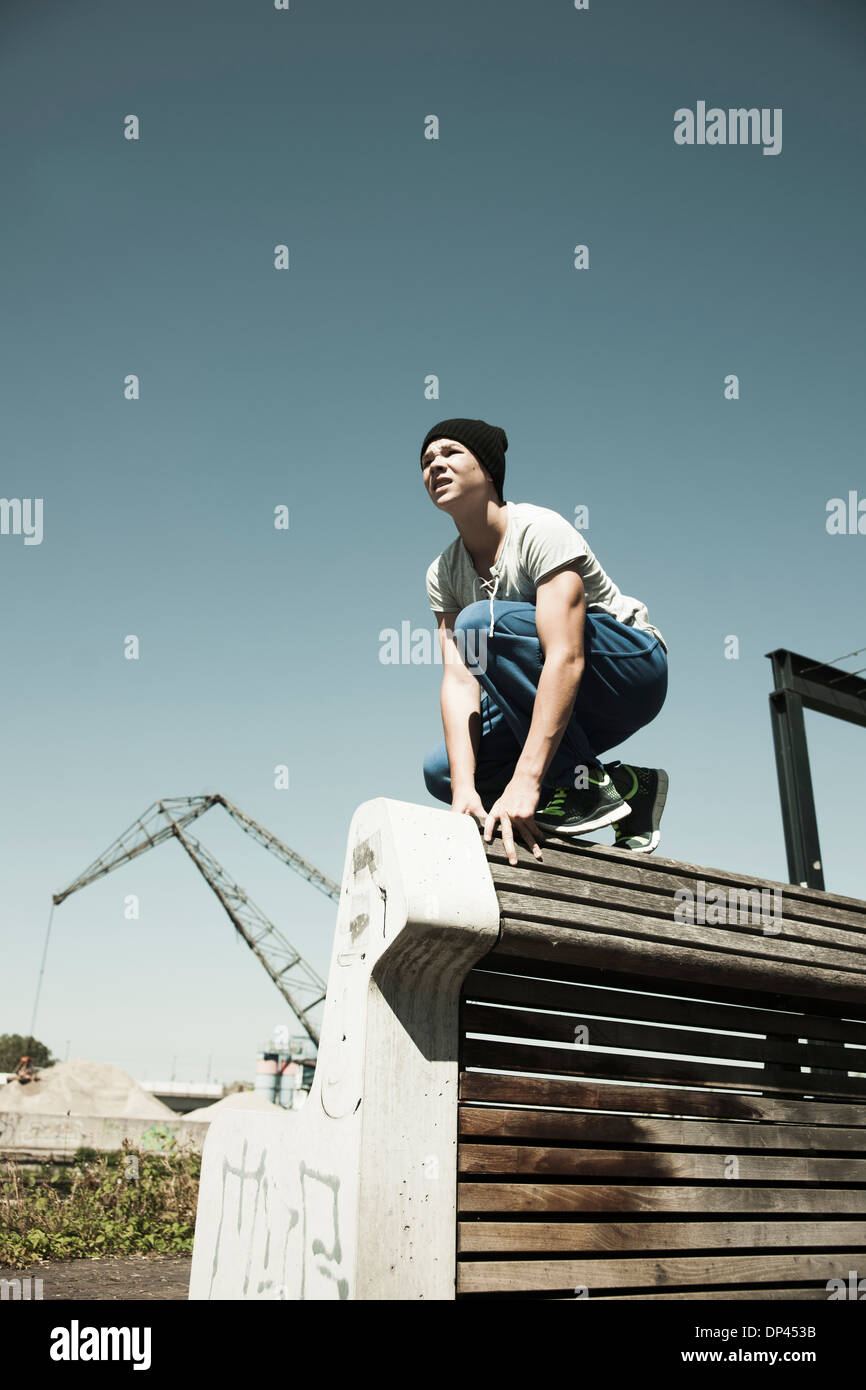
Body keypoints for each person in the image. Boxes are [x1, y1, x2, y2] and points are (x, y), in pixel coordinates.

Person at [420, 417, 669, 867]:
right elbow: (459, 681)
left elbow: (567, 656)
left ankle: (580, 785)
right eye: (426, 460)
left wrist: (528, 778)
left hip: (628, 670)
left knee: (481, 623)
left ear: (489, 471)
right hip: (557, 702)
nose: (435, 464)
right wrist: (463, 792)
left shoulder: (539, 529)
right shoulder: (442, 574)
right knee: (444, 770)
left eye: (451, 452)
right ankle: (626, 786)